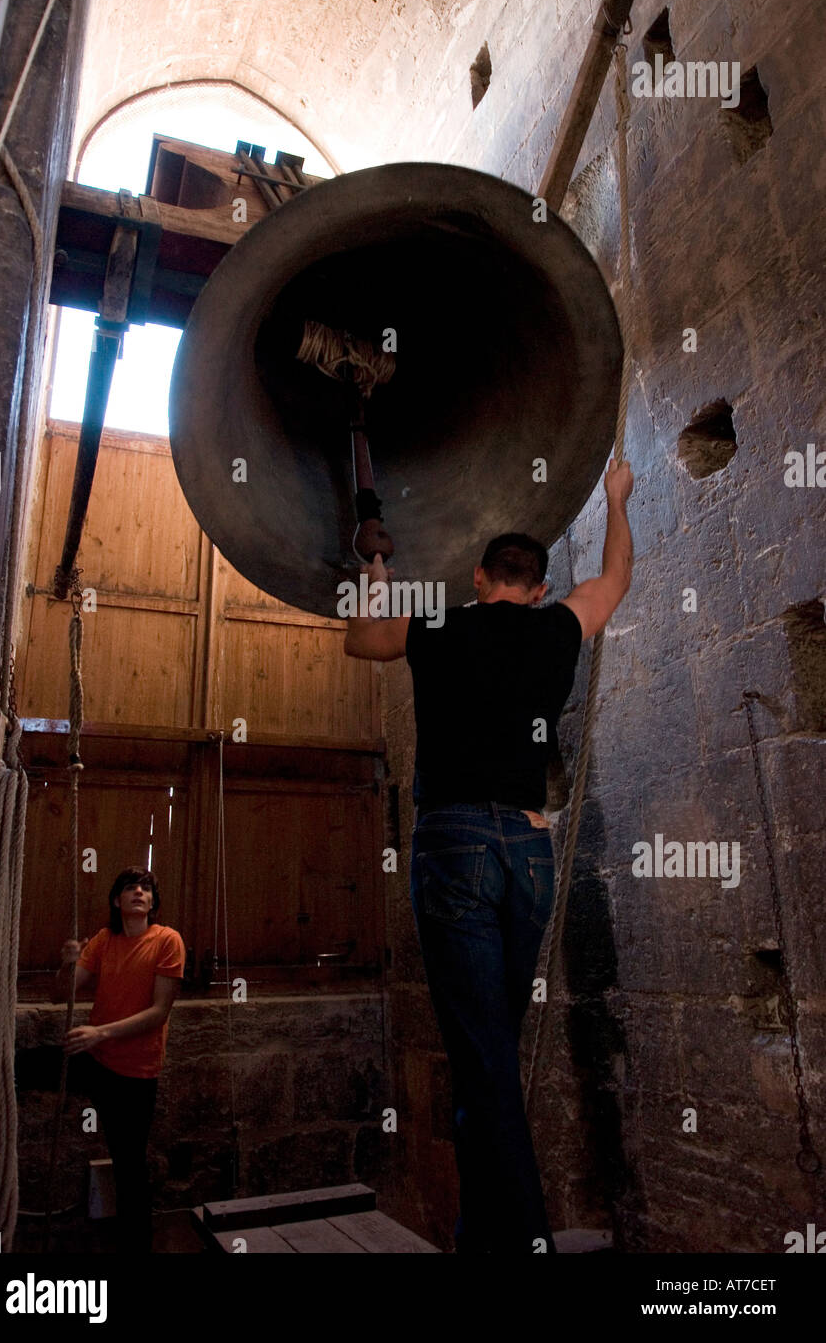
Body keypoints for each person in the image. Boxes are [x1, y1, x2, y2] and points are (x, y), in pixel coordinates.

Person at [344, 456, 634, 1253]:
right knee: (487, 1054)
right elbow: (615, 576)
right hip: (529, 853)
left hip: (456, 847)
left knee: (484, 1061)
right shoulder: (559, 627)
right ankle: (484, 1239)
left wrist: (376, 567)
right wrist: (614, 500)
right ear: (539, 586)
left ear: (478, 578)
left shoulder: (440, 626)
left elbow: (360, 639)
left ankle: (527, 1241)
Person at [56, 865, 185, 1252]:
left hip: (134, 1072)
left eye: (146, 888)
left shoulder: (167, 940)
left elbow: (159, 1012)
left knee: (130, 1165)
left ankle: (137, 1245)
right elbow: (63, 993)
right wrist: (67, 961)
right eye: (131, 888)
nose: (139, 893)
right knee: (14, 1067)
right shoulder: (104, 940)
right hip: (96, 1059)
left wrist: (100, 1032)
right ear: (117, 900)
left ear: (152, 902)